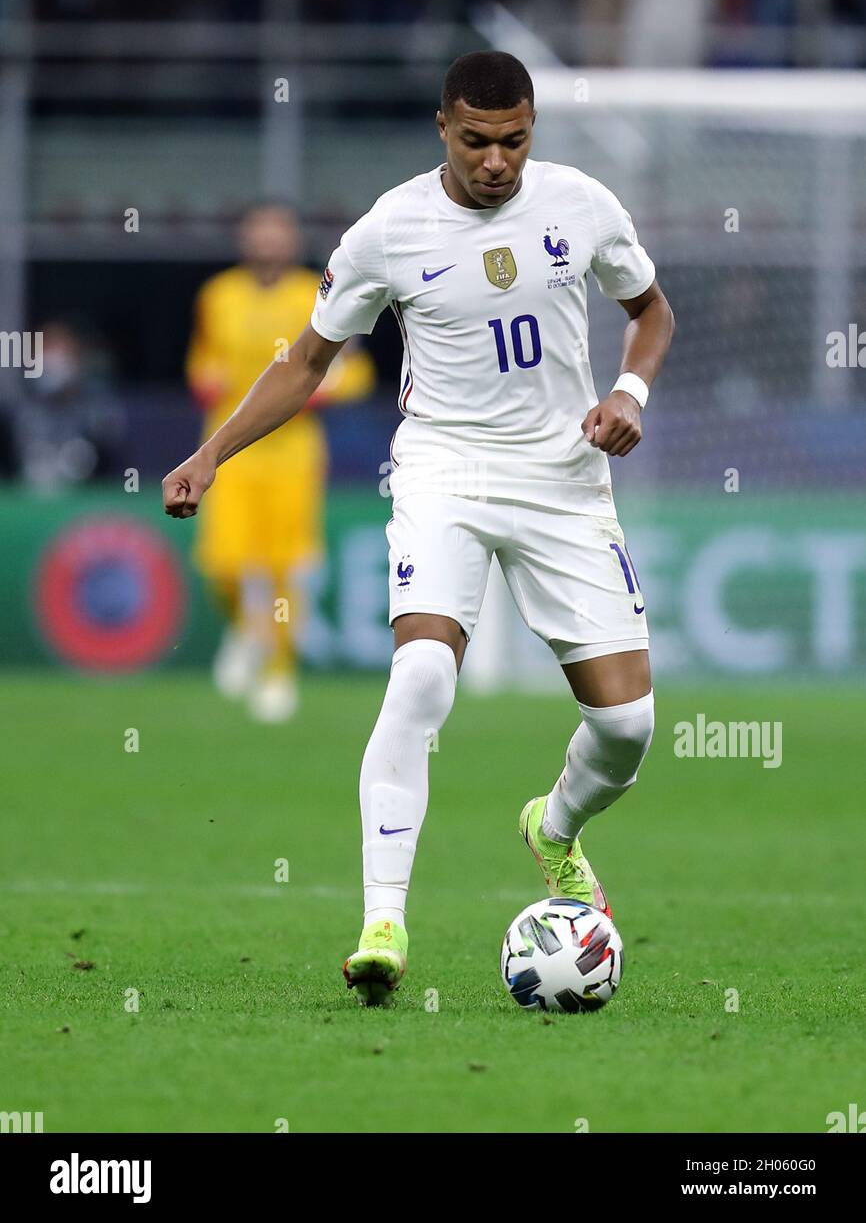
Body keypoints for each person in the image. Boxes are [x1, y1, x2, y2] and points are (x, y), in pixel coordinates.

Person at [163, 52, 675, 1003]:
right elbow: (308, 359)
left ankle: (553, 829)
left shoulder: (582, 205)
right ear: (443, 127)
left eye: (514, 141)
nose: (495, 161)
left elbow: (651, 312)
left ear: (533, 132)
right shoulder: (389, 229)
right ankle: (382, 922)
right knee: (426, 669)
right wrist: (212, 453)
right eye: (476, 141)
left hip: (564, 476)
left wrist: (629, 391)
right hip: (443, 468)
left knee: (627, 725)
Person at [185, 202, 374, 722]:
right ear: (244, 238)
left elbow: (354, 370)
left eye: (277, 231)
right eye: (258, 231)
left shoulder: (315, 291)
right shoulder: (218, 295)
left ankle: (279, 672)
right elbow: (202, 358)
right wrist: (205, 378)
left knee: (285, 567)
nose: (267, 241)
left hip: (292, 448)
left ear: (292, 239)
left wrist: (323, 391)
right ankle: (247, 628)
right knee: (222, 562)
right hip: (227, 446)